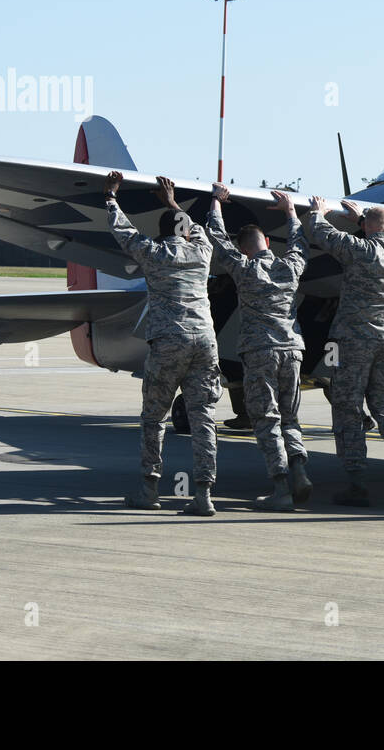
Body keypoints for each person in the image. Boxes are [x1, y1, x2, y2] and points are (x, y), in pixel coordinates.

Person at [105, 171, 221, 516]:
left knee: (154, 418)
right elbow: (194, 227)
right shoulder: (202, 249)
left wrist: (112, 196)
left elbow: (122, 230)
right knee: (204, 418)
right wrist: (171, 201)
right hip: (205, 340)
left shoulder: (152, 252)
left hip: (169, 340)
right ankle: (203, 494)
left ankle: (150, 488)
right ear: (185, 229)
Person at [306, 196, 384, 507]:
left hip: (352, 342)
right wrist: (368, 221)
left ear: (367, 229)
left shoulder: (358, 248)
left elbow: (321, 233)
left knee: (348, 410)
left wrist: (319, 210)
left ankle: (357, 483)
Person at [207, 182, 312, 512]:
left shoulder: (243, 267)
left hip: (260, 351)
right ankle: (299, 467)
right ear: (267, 243)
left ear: (245, 248)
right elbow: (299, 243)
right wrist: (291, 211)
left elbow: (216, 237)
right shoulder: (290, 266)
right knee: (290, 417)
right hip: (293, 350)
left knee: (267, 419)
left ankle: (281, 488)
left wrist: (216, 202)